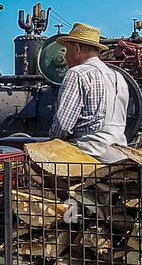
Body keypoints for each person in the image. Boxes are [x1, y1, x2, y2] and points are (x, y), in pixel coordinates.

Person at [48, 22, 129, 162]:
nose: (66, 57)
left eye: (67, 50)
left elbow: (62, 127)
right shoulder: (118, 76)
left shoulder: (77, 74)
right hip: (120, 154)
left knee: (28, 166)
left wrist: (49, 140)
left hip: (88, 154)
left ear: (77, 48)